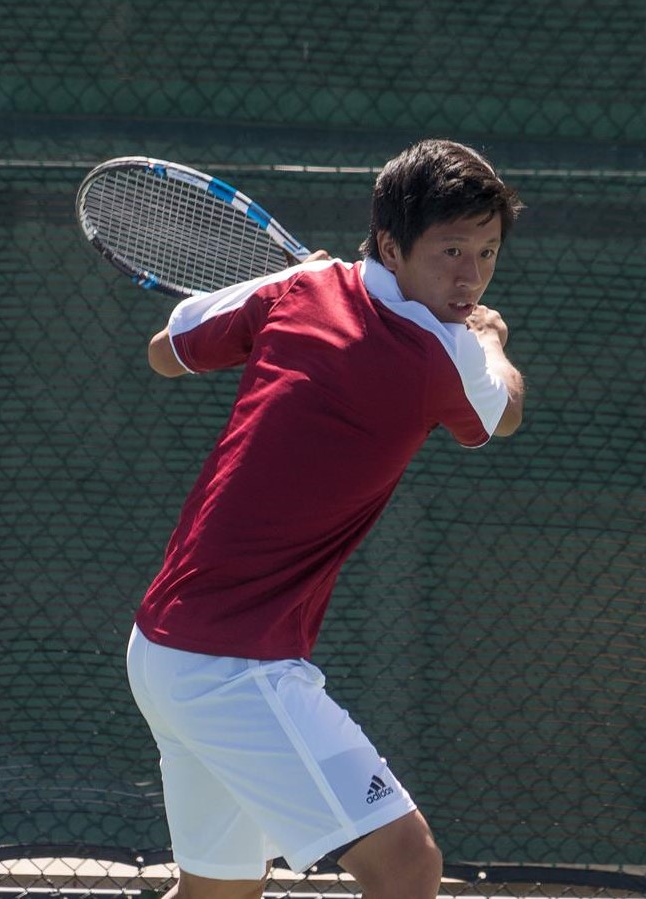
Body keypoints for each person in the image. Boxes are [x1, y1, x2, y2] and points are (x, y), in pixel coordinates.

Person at [124, 139, 526, 899]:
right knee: (406, 866)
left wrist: (290, 286)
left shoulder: (300, 287)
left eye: (486, 252)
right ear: (388, 245)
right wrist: (493, 341)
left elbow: (163, 352)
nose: (469, 276)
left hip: (165, 650)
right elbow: (502, 412)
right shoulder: (446, 351)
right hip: (230, 665)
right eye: (449, 251)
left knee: (216, 893)